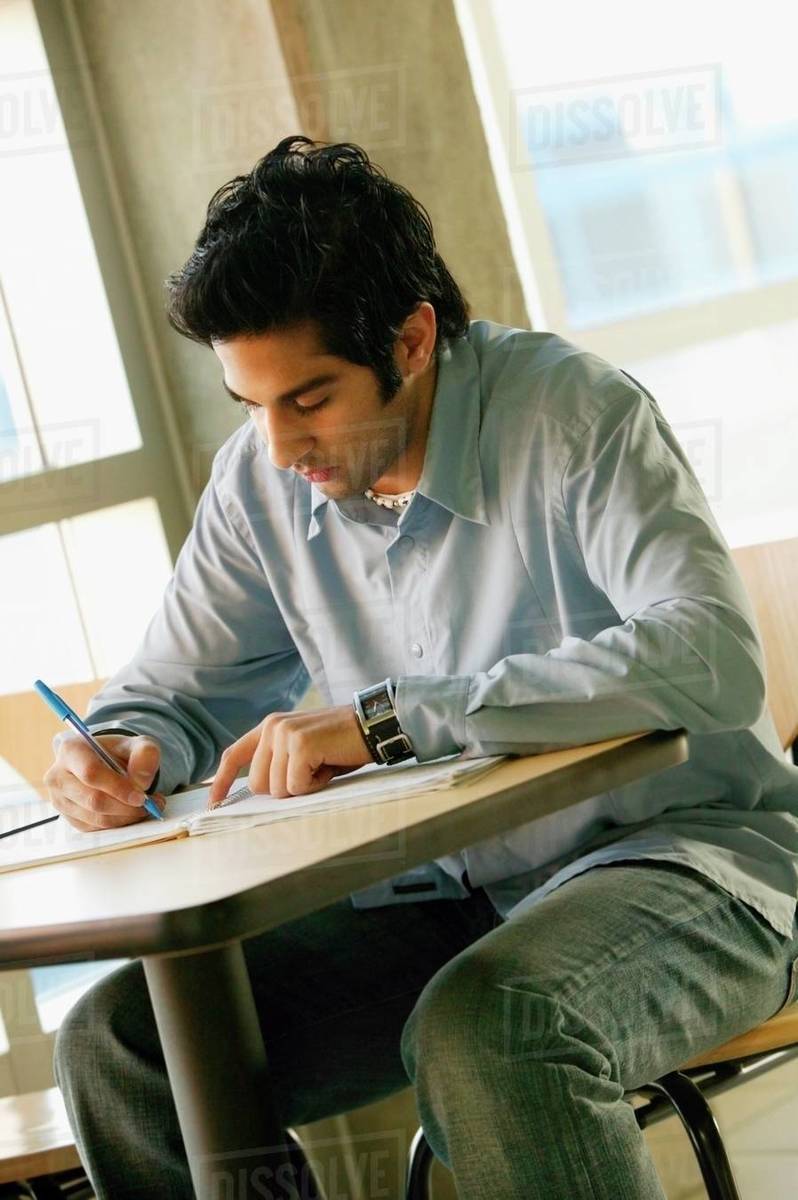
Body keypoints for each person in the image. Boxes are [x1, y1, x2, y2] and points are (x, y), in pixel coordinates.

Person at [47, 136, 798, 1200]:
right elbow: (173, 690)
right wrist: (125, 745)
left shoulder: (574, 415)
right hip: (444, 892)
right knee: (123, 1048)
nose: (278, 447)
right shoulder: (263, 482)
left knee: (493, 1027)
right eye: (249, 405)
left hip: (687, 861)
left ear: (412, 338)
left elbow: (709, 654)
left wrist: (392, 720)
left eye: (310, 398)